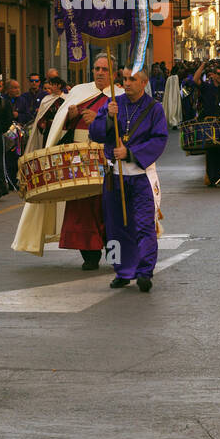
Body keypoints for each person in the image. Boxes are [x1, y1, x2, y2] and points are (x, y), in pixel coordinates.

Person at [12, 54, 123, 264]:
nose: (99, 73)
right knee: (81, 207)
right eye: (97, 69)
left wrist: (102, 118)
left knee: (110, 208)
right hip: (79, 160)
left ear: (114, 73)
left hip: (108, 160)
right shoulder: (80, 92)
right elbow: (59, 127)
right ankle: (89, 256)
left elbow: (126, 128)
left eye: (104, 69)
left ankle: (115, 254)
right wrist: (70, 117)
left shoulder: (121, 96)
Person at [89, 67, 168, 291]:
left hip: (141, 177)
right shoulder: (113, 103)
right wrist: (107, 118)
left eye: (132, 79)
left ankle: (144, 272)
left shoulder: (154, 109)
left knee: (144, 226)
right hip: (115, 177)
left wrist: (130, 153)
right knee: (115, 228)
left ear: (143, 83)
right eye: (124, 79)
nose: (126, 83)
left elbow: (160, 139)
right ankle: (121, 270)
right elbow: (95, 133)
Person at [184, 59, 220, 188]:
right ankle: (212, 178)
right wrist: (203, 65)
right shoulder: (206, 87)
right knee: (211, 153)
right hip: (210, 126)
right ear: (213, 75)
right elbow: (195, 79)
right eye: (219, 74)